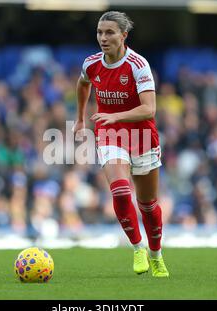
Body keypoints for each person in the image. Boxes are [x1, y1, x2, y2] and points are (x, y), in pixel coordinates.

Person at [73, 11, 169, 277]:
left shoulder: (138, 65)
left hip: (142, 137)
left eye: (109, 33)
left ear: (123, 35)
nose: (103, 38)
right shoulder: (91, 64)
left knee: (148, 204)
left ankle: (156, 254)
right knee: (120, 191)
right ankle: (138, 248)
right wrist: (80, 118)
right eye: (100, 32)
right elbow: (83, 84)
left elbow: (149, 109)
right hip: (110, 134)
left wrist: (115, 114)